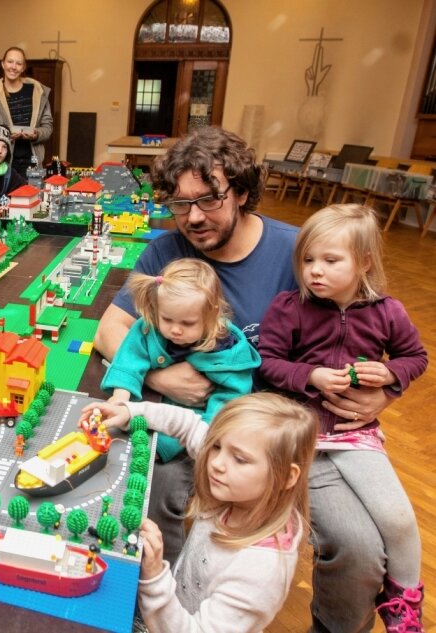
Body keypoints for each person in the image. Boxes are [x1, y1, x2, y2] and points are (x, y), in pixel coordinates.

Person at [95, 126, 396, 633]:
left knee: (359, 548)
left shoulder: (299, 254)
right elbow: (111, 329)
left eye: (208, 198)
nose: (193, 217)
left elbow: (367, 332)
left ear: (239, 190)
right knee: (153, 488)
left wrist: (382, 392)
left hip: (298, 431)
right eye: (180, 203)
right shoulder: (166, 252)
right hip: (203, 427)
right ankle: (158, 611)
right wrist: (168, 378)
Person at [257, 204, 427, 630]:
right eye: (308, 259)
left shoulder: (388, 311)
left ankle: (404, 602)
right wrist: (310, 375)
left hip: (356, 436)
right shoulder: (289, 306)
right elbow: (268, 362)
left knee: (398, 519)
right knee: (357, 535)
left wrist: (390, 375)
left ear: (364, 262)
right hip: (301, 437)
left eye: (331, 260)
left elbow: (415, 356)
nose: (315, 270)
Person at [80, 394, 316, 633]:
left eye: (240, 459)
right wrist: (130, 412)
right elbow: (189, 425)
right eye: (216, 446)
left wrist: (155, 578)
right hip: (171, 611)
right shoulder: (237, 485)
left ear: (286, 477)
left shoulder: (261, 571)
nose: (216, 463)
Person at [101, 258, 260, 462]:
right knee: (115, 433)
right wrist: (120, 397)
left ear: (212, 315)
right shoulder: (149, 328)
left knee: (153, 452)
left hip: (191, 423)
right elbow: (129, 359)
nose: (175, 329)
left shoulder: (227, 351)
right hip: (147, 403)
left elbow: (230, 399)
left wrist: (209, 433)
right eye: (167, 319)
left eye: (188, 323)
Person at [0, 46, 53, 178]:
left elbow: (48, 127)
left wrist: (36, 134)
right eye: (10, 62)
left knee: (31, 192)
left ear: (23, 67)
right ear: (3, 64)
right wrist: (4, 137)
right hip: (3, 162)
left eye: (18, 63)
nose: (13, 67)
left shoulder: (38, 91)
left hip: (32, 161)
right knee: (5, 192)